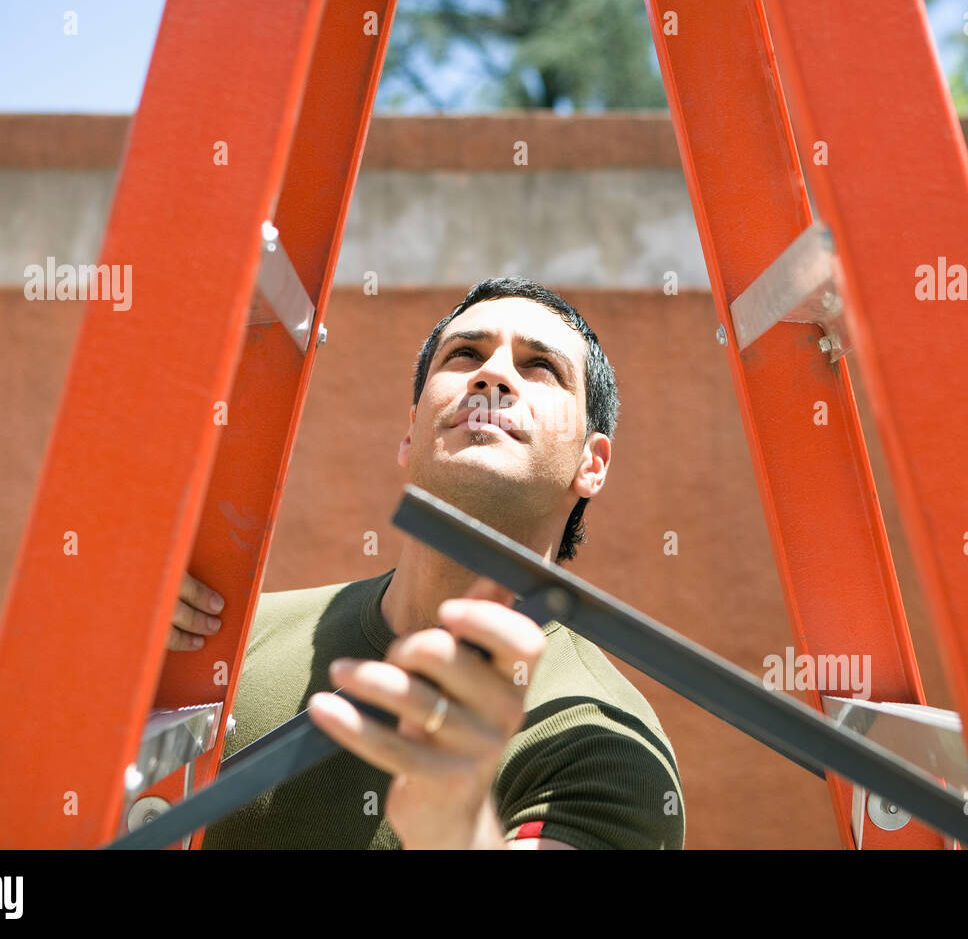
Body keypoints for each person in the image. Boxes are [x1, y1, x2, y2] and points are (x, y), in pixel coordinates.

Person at [169, 276, 685, 849]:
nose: (492, 377)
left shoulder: (605, 743)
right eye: (465, 354)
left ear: (593, 463)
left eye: (540, 366)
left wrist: (455, 825)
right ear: (409, 436)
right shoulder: (223, 638)